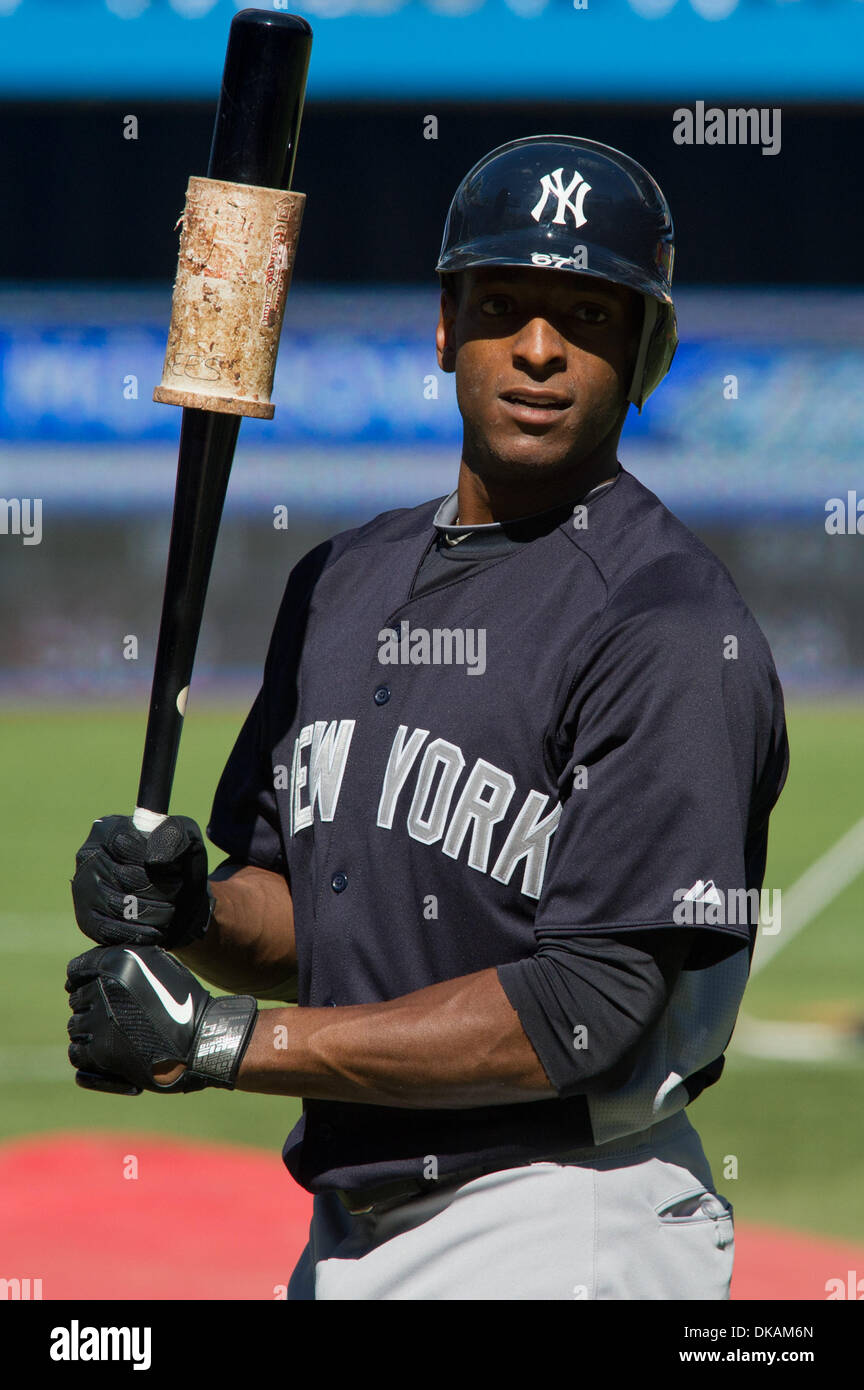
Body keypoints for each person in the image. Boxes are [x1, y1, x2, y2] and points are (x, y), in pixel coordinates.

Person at [67, 135, 789, 1301]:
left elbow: (583, 1009)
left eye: (590, 316)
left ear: (647, 354)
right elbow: (319, 921)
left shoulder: (665, 626)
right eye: (503, 304)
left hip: (563, 1216)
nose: (541, 349)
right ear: (446, 328)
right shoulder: (342, 581)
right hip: (355, 1224)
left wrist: (218, 1041)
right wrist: (192, 904)